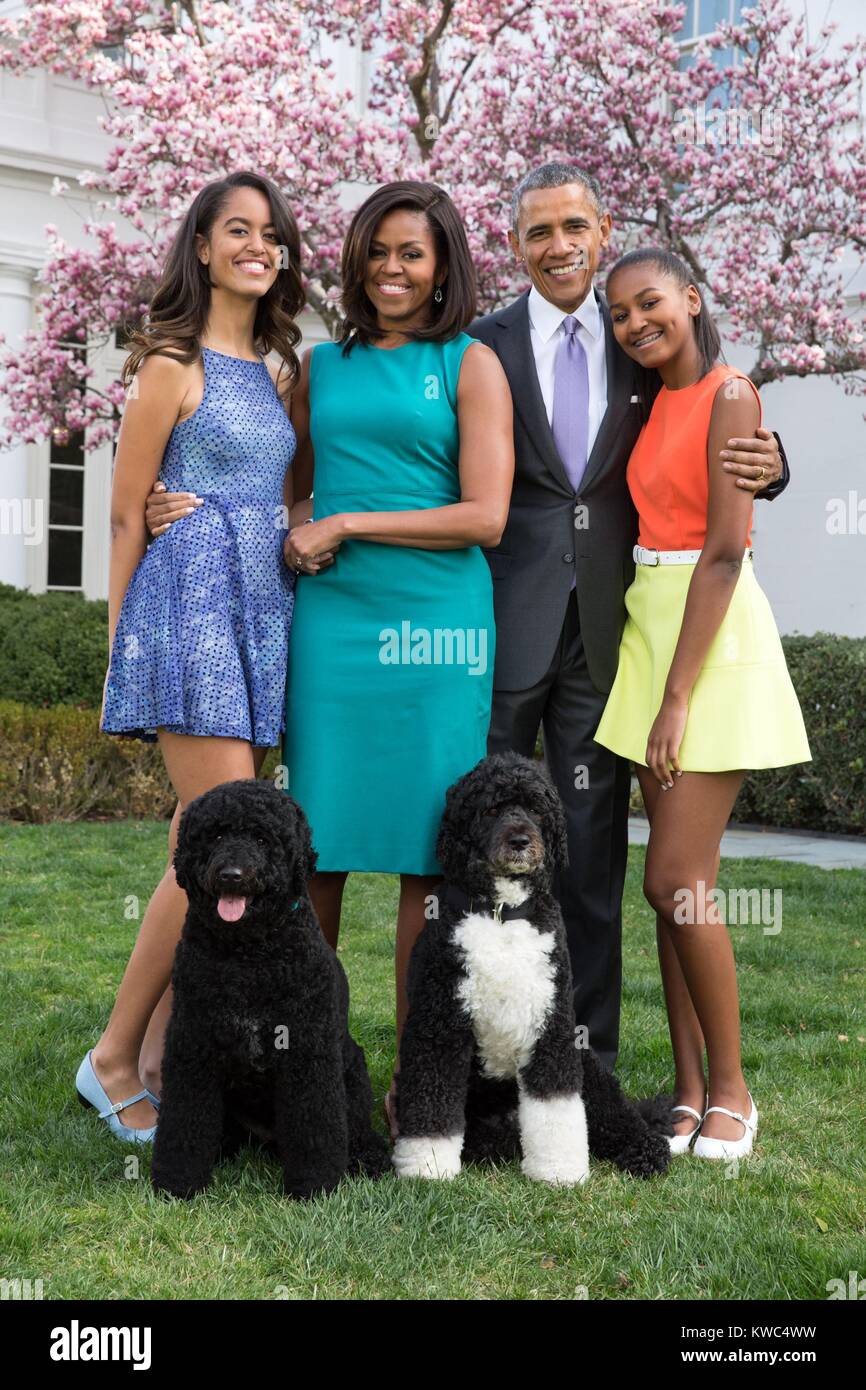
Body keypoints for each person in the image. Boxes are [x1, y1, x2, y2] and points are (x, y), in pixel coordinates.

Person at [468, 162, 789, 1072]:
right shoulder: (482, 346)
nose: (558, 246)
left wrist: (774, 460)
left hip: (615, 639)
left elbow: (713, 424)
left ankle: (585, 1067)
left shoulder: (638, 335)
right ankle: (480, 1057)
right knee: (478, 847)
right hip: (501, 624)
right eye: (538, 232)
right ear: (517, 245)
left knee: (593, 859)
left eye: (574, 227)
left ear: (602, 231)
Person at [282, 181, 514, 1135]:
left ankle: (418, 1096)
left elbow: (486, 517)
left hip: (438, 630)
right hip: (334, 629)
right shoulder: (317, 366)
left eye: (411, 253)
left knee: (430, 861)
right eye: (377, 250)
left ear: (443, 264)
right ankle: (308, 1089)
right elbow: (288, 488)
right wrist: (303, 525)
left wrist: (349, 520)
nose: (391, 269)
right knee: (314, 852)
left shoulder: (472, 364)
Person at [77, 172, 303, 1140]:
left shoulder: (283, 368)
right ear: (202, 247)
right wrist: (124, 639)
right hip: (190, 606)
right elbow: (128, 509)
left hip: (264, 607)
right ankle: (115, 1055)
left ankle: (163, 1054)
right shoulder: (169, 362)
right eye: (236, 230)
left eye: (271, 234)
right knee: (213, 831)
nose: (257, 245)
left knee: (200, 836)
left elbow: (282, 492)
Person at [594, 246, 811, 1158]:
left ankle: (732, 1090)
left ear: (692, 296)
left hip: (707, 636)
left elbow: (724, 551)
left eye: (651, 305)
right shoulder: (648, 399)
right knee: (678, 892)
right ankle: (685, 1092)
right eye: (619, 315)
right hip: (650, 622)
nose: (636, 323)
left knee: (673, 879)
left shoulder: (732, 393)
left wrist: (676, 698)